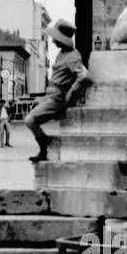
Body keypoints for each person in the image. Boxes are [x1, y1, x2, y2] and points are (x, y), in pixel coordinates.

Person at [25, 20, 91, 163]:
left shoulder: (72, 56)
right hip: (52, 96)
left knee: (30, 120)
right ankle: (45, 148)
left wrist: (71, 93)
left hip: (58, 99)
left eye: (55, 37)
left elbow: (85, 77)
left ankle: (44, 150)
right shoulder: (62, 54)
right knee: (30, 118)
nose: (53, 41)